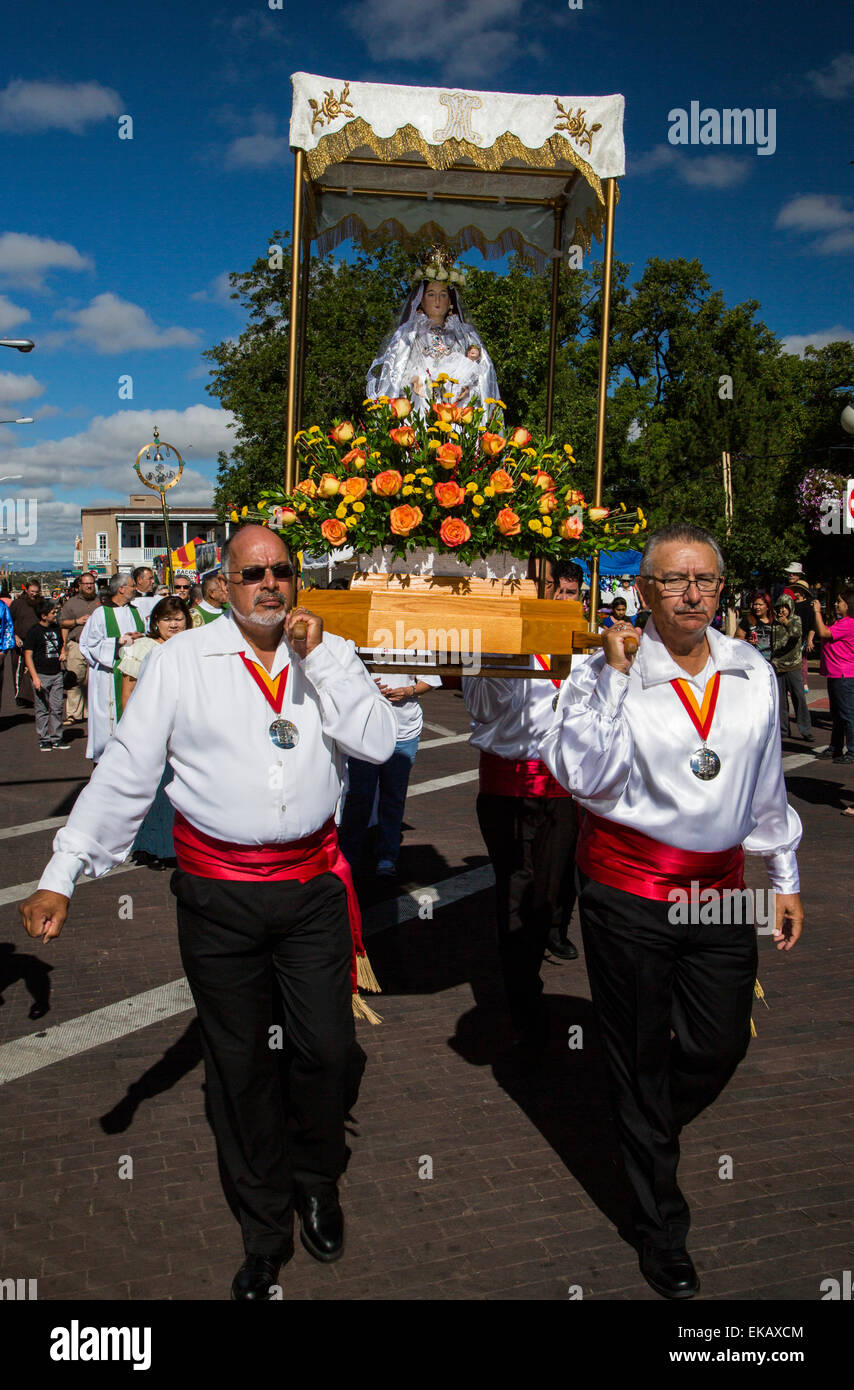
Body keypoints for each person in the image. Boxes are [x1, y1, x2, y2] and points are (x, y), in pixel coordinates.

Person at [20, 525, 396, 1300]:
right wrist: (63, 871)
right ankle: (264, 1231)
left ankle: (316, 1178)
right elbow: (128, 770)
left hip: (312, 889)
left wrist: (324, 658)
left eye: (282, 571)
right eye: (251, 573)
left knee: (326, 1051)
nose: (270, 585)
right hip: (219, 895)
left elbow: (379, 742)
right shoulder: (182, 662)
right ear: (221, 583)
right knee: (240, 1066)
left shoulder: (324, 653)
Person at [541, 523, 803, 1300]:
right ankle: (661, 1229)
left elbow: (764, 783)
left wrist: (782, 873)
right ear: (646, 593)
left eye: (707, 582)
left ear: (722, 591)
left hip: (722, 893)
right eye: (674, 581)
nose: (693, 595)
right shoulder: (601, 674)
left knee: (718, 1044)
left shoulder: (750, 669)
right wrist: (616, 679)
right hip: (629, 891)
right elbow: (586, 777)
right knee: (636, 1052)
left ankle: (644, 1124)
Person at [462, 616, 582, 1048]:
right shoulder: (490, 640)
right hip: (508, 784)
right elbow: (480, 709)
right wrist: (505, 651)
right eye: (553, 594)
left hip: (563, 788)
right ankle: (523, 998)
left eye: (570, 596)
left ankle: (546, 936)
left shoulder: (583, 647)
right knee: (516, 889)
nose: (562, 604)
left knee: (548, 890)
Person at [366, 250, 500, 417]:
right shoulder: (407, 334)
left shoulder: (465, 335)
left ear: (450, 301)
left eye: (443, 295)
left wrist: (466, 387)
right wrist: (415, 380)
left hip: (454, 410)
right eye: (431, 294)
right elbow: (396, 372)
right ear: (420, 299)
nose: (437, 300)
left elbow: (482, 373)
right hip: (418, 408)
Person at [338, 665, 442, 879]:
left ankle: (388, 855)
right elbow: (340, 674)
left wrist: (409, 691)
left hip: (404, 729)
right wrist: (363, 686)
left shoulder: (415, 636)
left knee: (393, 796)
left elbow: (430, 679)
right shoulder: (359, 636)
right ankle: (348, 855)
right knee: (359, 796)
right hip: (365, 729)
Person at [119, 596, 192, 868]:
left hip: (185, 729)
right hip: (152, 727)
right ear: (155, 623)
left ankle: (178, 846)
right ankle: (154, 847)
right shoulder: (144, 647)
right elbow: (128, 692)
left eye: (178, 618)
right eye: (166, 619)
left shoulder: (192, 646)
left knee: (181, 790)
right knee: (155, 790)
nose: (173, 624)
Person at [78, 573, 146, 760]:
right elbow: (89, 644)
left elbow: (143, 634)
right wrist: (118, 642)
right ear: (121, 589)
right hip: (108, 676)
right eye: (132, 585)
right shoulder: (101, 613)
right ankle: (105, 761)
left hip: (133, 674)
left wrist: (140, 637)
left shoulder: (135, 610)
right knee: (108, 723)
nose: (135, 588)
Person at [812, 585, 854, 764]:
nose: (836, 604)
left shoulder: (848, 623)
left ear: (848, 605)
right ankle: (835, 747)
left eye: (839, 602)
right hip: (836, 674)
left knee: (847, 715)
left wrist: (817, 612)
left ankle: (851, 750)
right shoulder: (840, 622)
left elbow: (823, 632)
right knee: (837, 715)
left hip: (844, 675)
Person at [23, 598, 68, 751]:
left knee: (57, 707)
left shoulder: (56, 628)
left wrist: (64, 651)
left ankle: (57, 737)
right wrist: (35, 677)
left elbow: (62, 643)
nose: (55, 615)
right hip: (41, 674)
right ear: (43, 615)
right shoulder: (34, 632)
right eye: (52, 612)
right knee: (42, 708)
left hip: (56, 672)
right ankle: (44, 738)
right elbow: (28, 655)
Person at [57, 570, 100, 724]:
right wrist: (77, 621)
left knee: (92, 680)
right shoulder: (71, 603)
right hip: (76, 644)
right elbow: (62, 623)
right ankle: (73, 714)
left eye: (91, 583)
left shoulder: (101, 602)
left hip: (96, 646)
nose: (89, 586)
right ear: (80, 585)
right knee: (74, 679)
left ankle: (90, 713)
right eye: (86, 583)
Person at [771, 596, 812, 741]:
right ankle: (783, 730)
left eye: (785, 607)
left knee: (799, 699)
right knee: (781, 702)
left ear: (790, 608)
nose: (782, 610)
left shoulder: (795, 620)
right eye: (780, 607)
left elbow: (796, 634)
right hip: (778, 666)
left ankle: (806, 730)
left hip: (794, 666)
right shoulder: (774, 622)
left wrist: (787, 623)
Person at [10, 578, 41, 706]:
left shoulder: (41, 603)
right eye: (32, 591)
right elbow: (9, 622)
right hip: (20, 641)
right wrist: (14, 636)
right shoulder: (17, 604)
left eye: (36, 592)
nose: (34, 594)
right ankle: (20, 696)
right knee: (18, 669)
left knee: (34, 669)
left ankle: (32, 695)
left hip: (36, 641)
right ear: (26, 590)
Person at [735, 590, 775, 661]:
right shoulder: (748, 620)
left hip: (772, 662)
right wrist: (747, 641)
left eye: (760, 605)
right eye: (755, 604)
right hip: (753, 660)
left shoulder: (774, 621)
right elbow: (737, 639)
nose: (757, 607)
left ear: (767, 607)